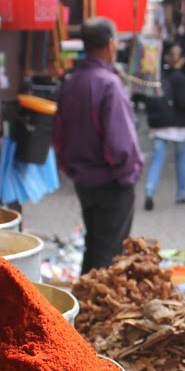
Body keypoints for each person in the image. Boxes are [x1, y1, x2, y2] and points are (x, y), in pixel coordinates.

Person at [53, 17, 144, 271]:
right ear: (110, 44)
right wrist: (127, 175)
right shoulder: (109, 84)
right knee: (109, 258)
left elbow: (59, 136)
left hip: (84, 181)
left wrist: (72, 169)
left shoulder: (72, 81)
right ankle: (95, 309)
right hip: (111, 183)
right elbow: (121, 144)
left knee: (94, 248)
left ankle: (82, 308)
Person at [143, 42, 185, 211]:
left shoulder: (159, 77)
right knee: (180, 158)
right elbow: (184, 102)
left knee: (157, 159)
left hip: (159, 123)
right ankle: (181, 193)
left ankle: (149, 190)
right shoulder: (182, 78)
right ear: (182, 60)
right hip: (178, 124)